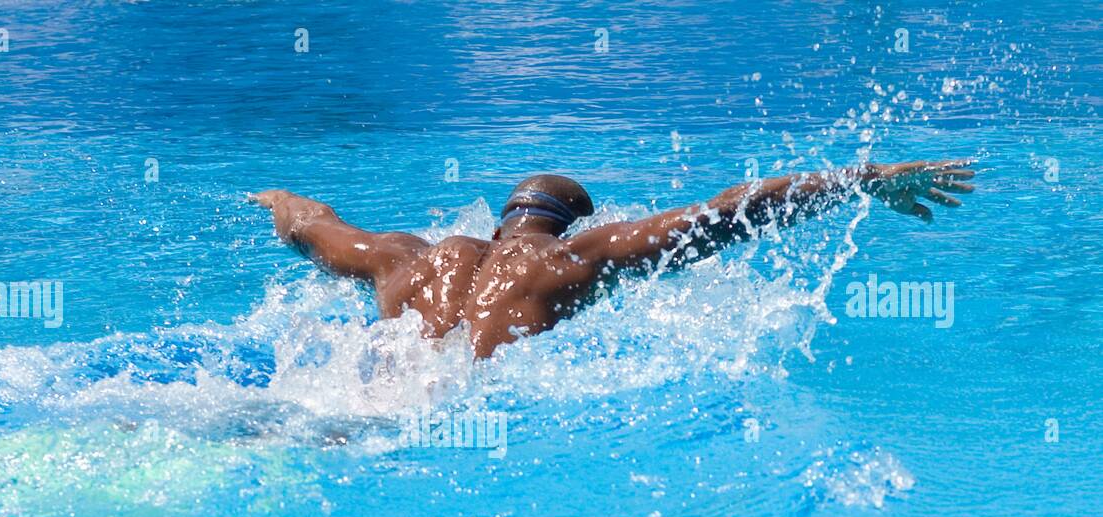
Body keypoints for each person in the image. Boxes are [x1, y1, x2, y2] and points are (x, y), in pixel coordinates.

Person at [251, 160, 975, 359]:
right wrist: (863, 180)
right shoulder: (575, 257)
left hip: (359, 390)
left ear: (502, 223)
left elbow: (315, 226)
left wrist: (279, 196)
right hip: (442, 413)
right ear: (564, 224)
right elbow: (730, 212)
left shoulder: (408, 255)